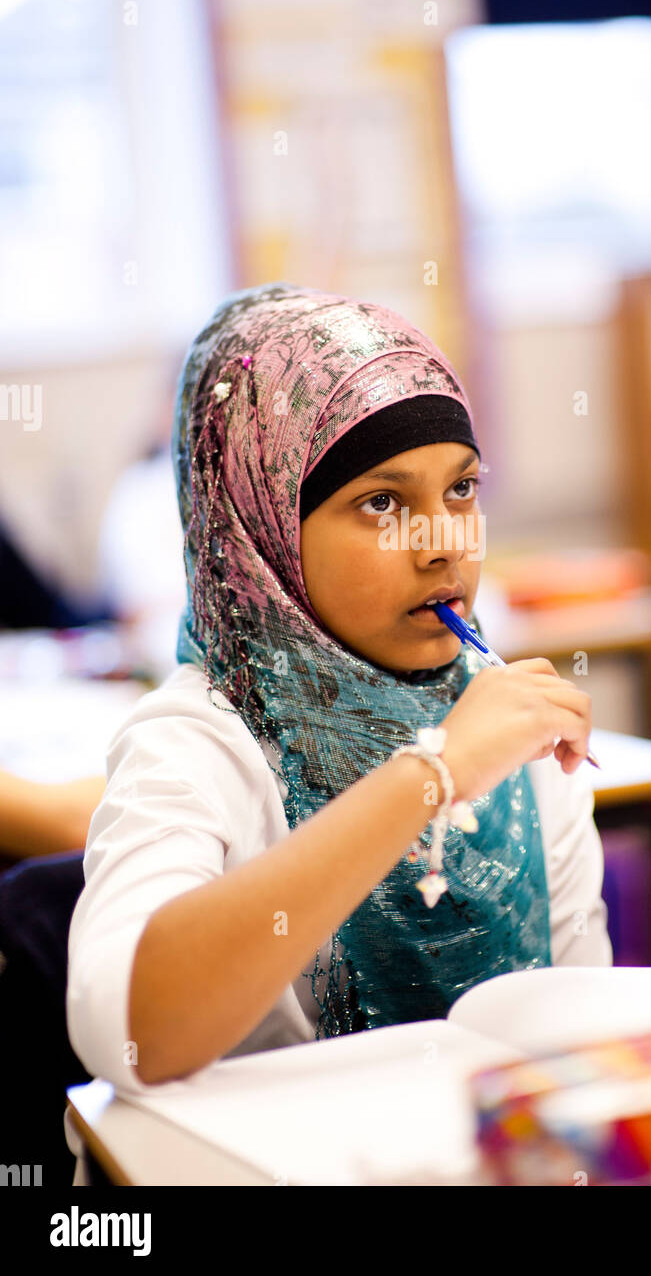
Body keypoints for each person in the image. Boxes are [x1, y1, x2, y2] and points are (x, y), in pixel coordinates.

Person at [66, 283, 611, 1092]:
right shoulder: (194, 744)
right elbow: (131, 1037)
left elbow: (575, 1032)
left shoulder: (511, 730)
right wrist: (432, 775)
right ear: (264, 532)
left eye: (461, 489)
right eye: (382, 503)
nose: (444, 545)